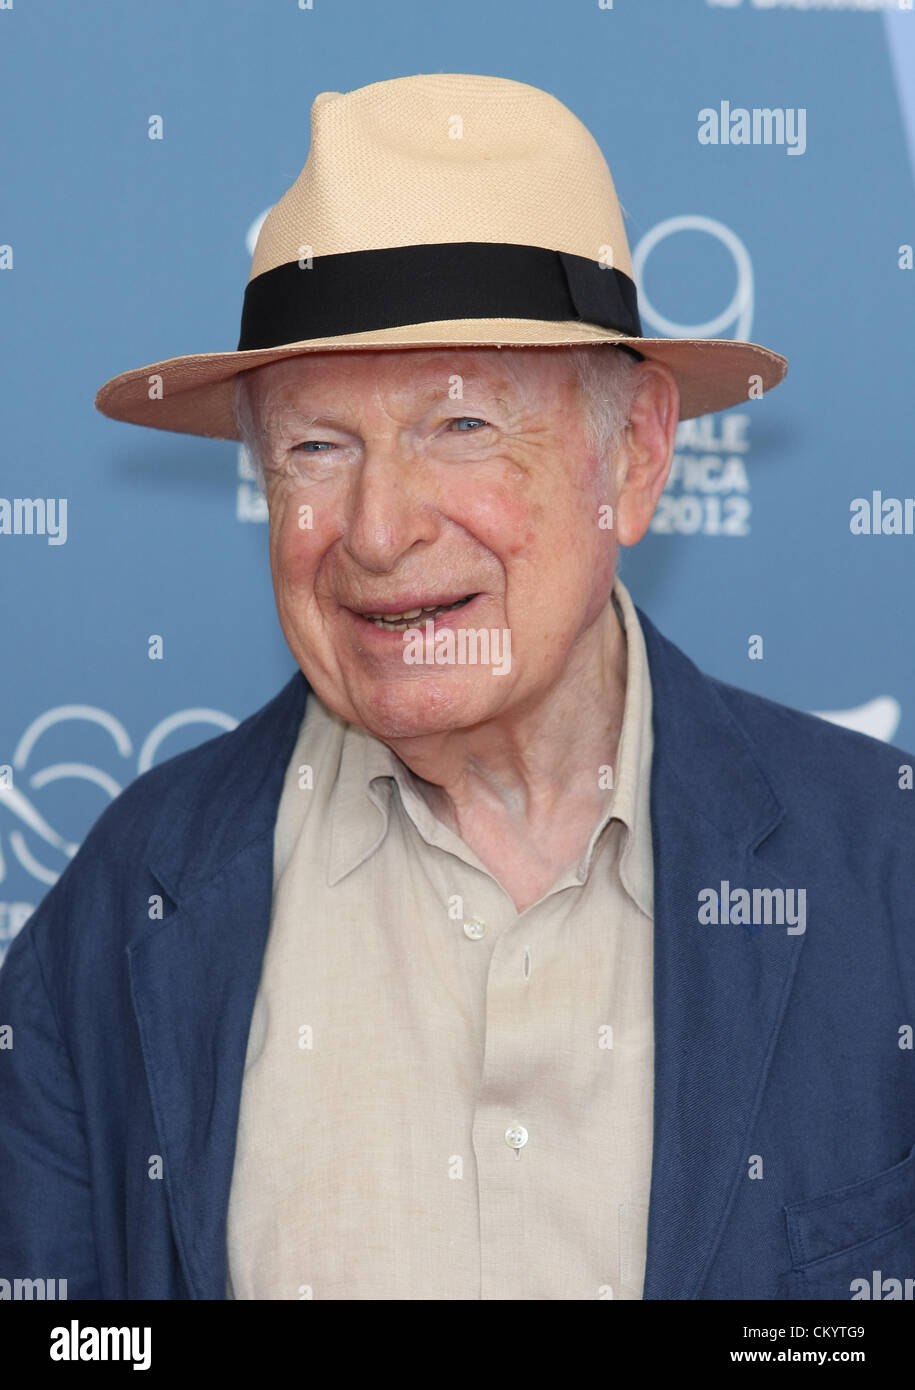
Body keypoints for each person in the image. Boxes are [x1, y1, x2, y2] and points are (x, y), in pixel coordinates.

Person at [1, 73, 913, 1302]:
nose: (377, 532)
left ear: (635, 458)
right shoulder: (123, 909)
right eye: (318, 447)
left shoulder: (886, 871)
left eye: (463, 427)